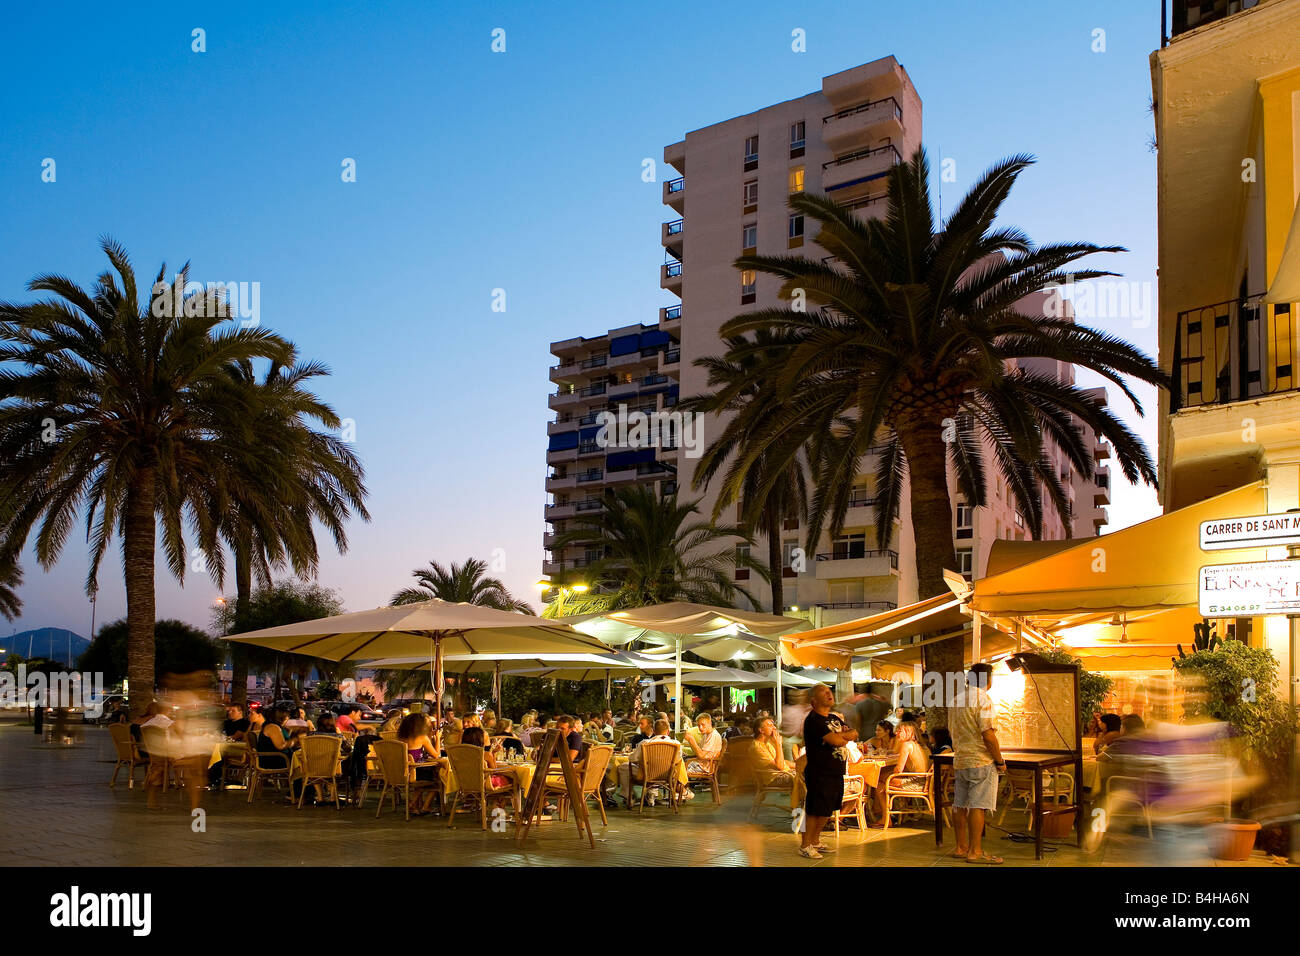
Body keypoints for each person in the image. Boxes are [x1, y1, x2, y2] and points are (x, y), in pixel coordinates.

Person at [950, 663, 1006, 864]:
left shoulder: (956, 700)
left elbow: (953, 731)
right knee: (978, 806)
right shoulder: (983, 700)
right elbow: (988, 734)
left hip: (961, 759)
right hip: (981, 760)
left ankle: (960, 847)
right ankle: (975, 851)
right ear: (988, 680)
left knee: (960, 803)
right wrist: (1000, 761)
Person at [798, 685, 857, 859]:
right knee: (814, 809)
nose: (829, 694)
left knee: (827, 809)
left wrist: (843, 737)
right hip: (819, 771)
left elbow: (854, 733)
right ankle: (805, 844)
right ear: (814, 701)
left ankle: (815, 841)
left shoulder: (833, 718)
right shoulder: (814, 720)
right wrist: (842, 738)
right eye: (824, 693)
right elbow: (835, 740)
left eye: (829, 691)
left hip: (835, 770)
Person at [872, 719, 929, 826]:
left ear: (909, 733)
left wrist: (890, 775)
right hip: (924, 781)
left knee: (878, 784)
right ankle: (890, 812)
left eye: (900, 731)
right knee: (883, 778)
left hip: (915, 783)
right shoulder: (915, 744)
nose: (896, 733)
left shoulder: (906, 745)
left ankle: (885, 818)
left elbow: (898, 770)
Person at [618, 719, 677, 807]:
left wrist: (640, 761)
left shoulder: (645, 743)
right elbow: (678, 761)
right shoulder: (676, 745)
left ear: (654, 730)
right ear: (668, 731)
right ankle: (651, 793)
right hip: (667, 775)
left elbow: (632, 759)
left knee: (623, 767)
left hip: (647, 774)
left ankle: (628, 795)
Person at [397, 712, 444, 815]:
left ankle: (417, 805)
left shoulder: (401, 737)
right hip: (416, 770)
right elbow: (436, 755)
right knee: (438, 780)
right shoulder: (422, 737)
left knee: (429, 778)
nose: (430, 725)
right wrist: (438, 738)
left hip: (403, 770)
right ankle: (422, 805)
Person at [752, 717, 794, 786]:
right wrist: (778, 744)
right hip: (775, 778)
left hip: (785, 773)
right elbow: (779, 766)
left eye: (773, 725)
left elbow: (782, 761)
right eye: (770, 726)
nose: (774, 728)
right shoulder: (756, 747)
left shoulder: (767, 744)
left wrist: (799, 765)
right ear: (761, 730)